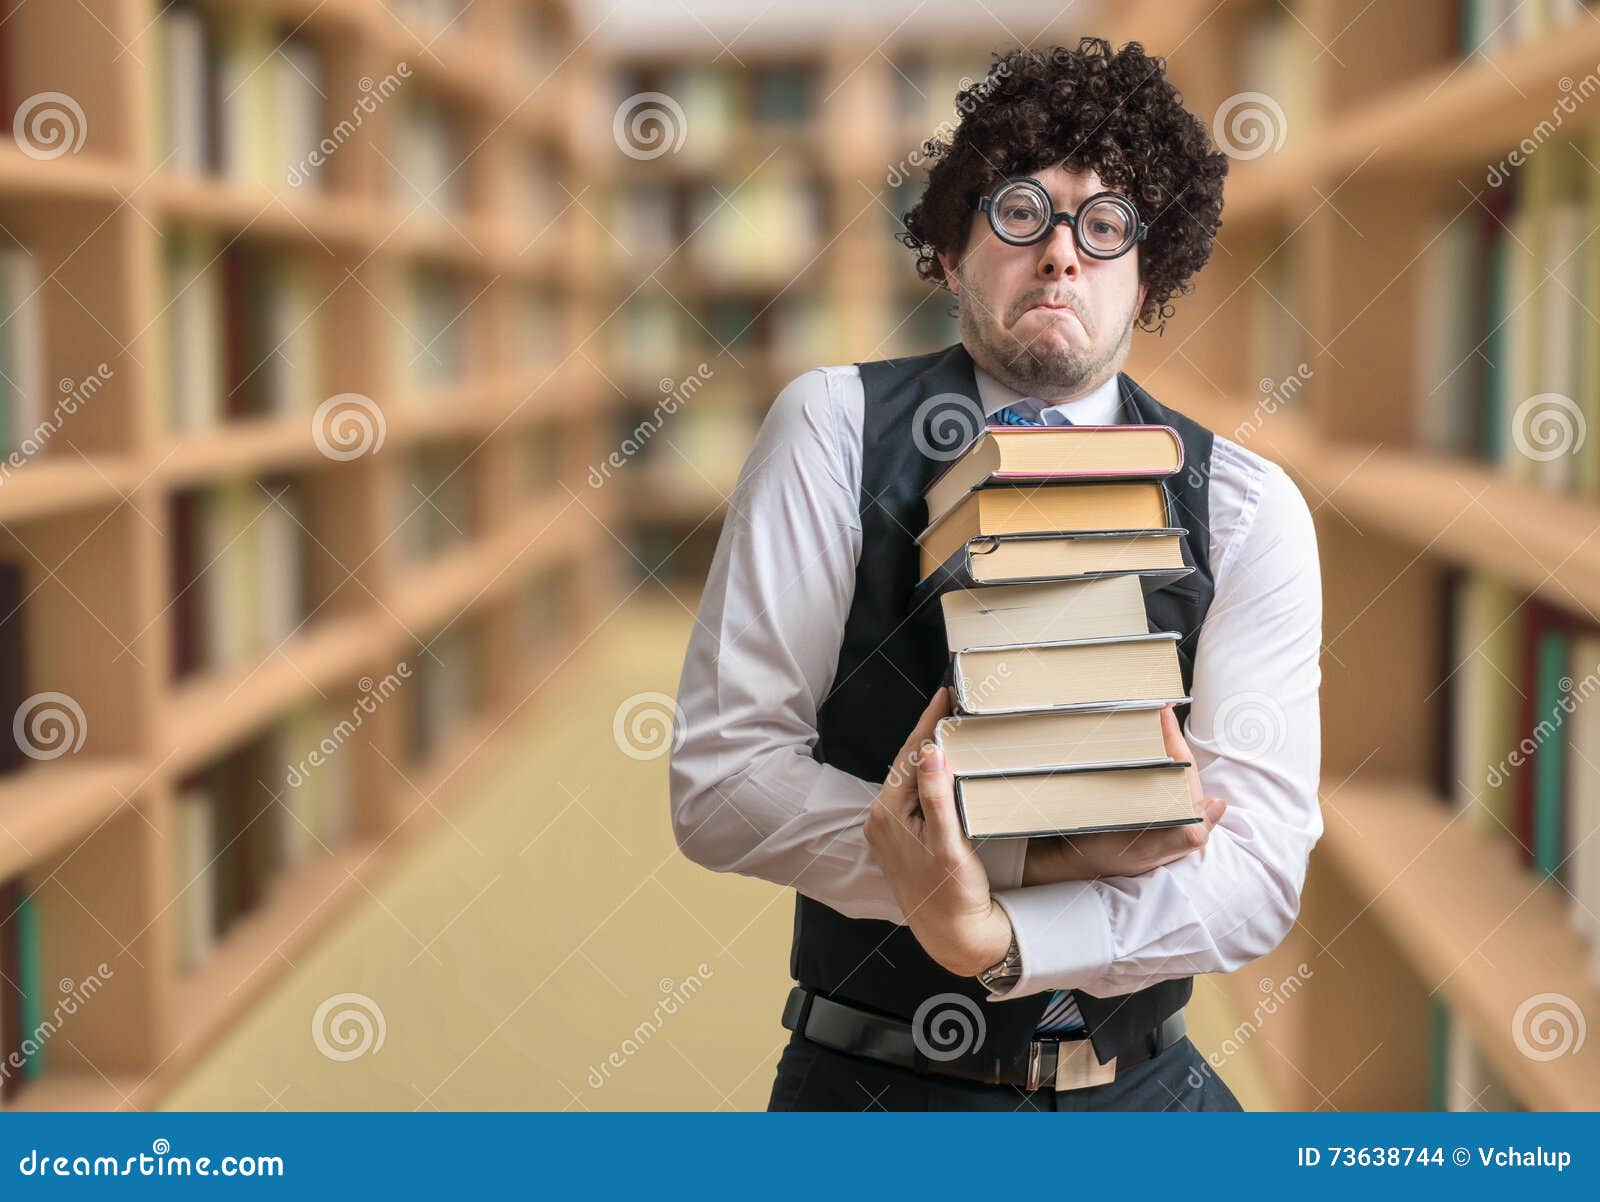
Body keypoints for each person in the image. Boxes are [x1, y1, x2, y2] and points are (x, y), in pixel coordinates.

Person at [668, 37, 1322, 1111]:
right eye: (1022, 211)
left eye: (1106, 225)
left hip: (1145, 1092)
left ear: (1148, 271)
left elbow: (1254, 871)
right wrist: (1036, 866)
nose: (1062, 253)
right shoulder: (830, 428)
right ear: (952, 242)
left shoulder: (1248, 507)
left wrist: (998, 929)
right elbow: (723, 781)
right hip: (871, 1093)